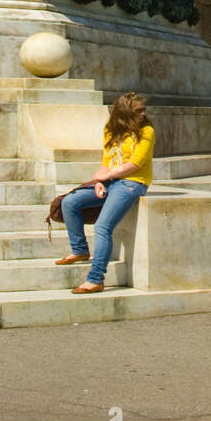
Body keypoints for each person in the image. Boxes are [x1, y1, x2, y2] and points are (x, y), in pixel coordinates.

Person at [57, 92, 154, 294]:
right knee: (69, 202)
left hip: (132, 183)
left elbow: (135, 164)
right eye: (138, 111)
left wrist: (107, 177)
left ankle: (95, 279)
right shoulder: (110, 131)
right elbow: (105, 162)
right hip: (111, 181)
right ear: (124, 112)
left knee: (102, 226)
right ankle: (80, 250)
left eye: (144, 110)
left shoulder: (146, 132)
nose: (143, 114)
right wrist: (100, 180)